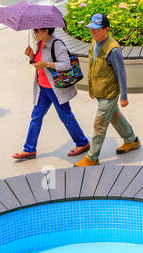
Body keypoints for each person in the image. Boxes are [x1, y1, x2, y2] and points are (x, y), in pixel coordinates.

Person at [14, 27, 90, 161]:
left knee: (65, 116)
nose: (35, 33)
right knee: (36, 117)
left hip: (55, 89)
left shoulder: (57, 44)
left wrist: (46, 64)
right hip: (42, 88)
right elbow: (38, 64)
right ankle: (29, 149)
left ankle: (82, 143)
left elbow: (66, 65)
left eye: (37, 30)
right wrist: (31, 56)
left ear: (46, 31)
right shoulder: (40, 44)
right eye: (34, 30)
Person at [74, 13, 139, 167]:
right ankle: (131, 140)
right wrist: (91, 87)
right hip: (100, 91)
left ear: (106, 29)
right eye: (91, 28)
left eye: (97, 29)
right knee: (114, 116)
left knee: (99, 124)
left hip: (109, 94)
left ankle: (92, 158)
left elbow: (121, 74)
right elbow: (93, 66)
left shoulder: (113, 50)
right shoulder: (94, 42)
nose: (93, 32)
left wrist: (124, 96)